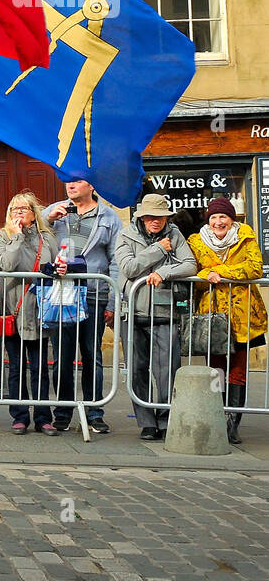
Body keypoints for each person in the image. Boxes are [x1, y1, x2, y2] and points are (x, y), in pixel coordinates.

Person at [116, 193, 197, 441]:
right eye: (151, 216)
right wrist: (157, 250)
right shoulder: (126, 236)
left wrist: (164, 271)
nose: (156, 221)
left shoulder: (175, 234)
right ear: (142, 217)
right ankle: (146, 421)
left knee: (167, 371)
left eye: (160, 217)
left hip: (165, 313)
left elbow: (190, 264)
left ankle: (165, 418)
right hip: (134, 312)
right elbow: (129, 268)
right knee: (137, 369)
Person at [43, 179, 121, 433]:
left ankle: (94, 411)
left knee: (91, 355)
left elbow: (116, 262)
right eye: (68, 181)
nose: (70, 185)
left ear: (92, 186)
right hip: (63, 294)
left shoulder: (108, 217)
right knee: (63, 356)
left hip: (94, 294)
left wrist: (112, 301)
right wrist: (48, 219)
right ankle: (63, 411)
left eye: (77, 181)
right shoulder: (56, 211)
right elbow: (30, 231)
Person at [187, 197, 264, 445]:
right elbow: (191, 269)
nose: (218, 222)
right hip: (211, 313)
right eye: (213, 217)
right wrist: (204, 275)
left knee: (238, 370)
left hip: (243, 315)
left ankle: (233, 424)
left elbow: (255, 268)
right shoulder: (196, 241)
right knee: (216, 369)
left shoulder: (245, 236)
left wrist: (220, 273)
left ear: (232, 219)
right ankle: (216, 418)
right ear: (208, 221)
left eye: (223, 217)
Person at [0, 191, 60, 435]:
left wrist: (60, 269)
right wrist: (17, 237)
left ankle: (43, 417)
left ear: (34, 214)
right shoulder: (1, 237)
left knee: (40, 367)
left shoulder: (47, 238)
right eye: (14, 209)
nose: (19, 213)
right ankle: (19, 416)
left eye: (24, 209)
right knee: (16, 367)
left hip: (39, 308)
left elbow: (52, 265)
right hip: (13, 308)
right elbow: (8, 265)